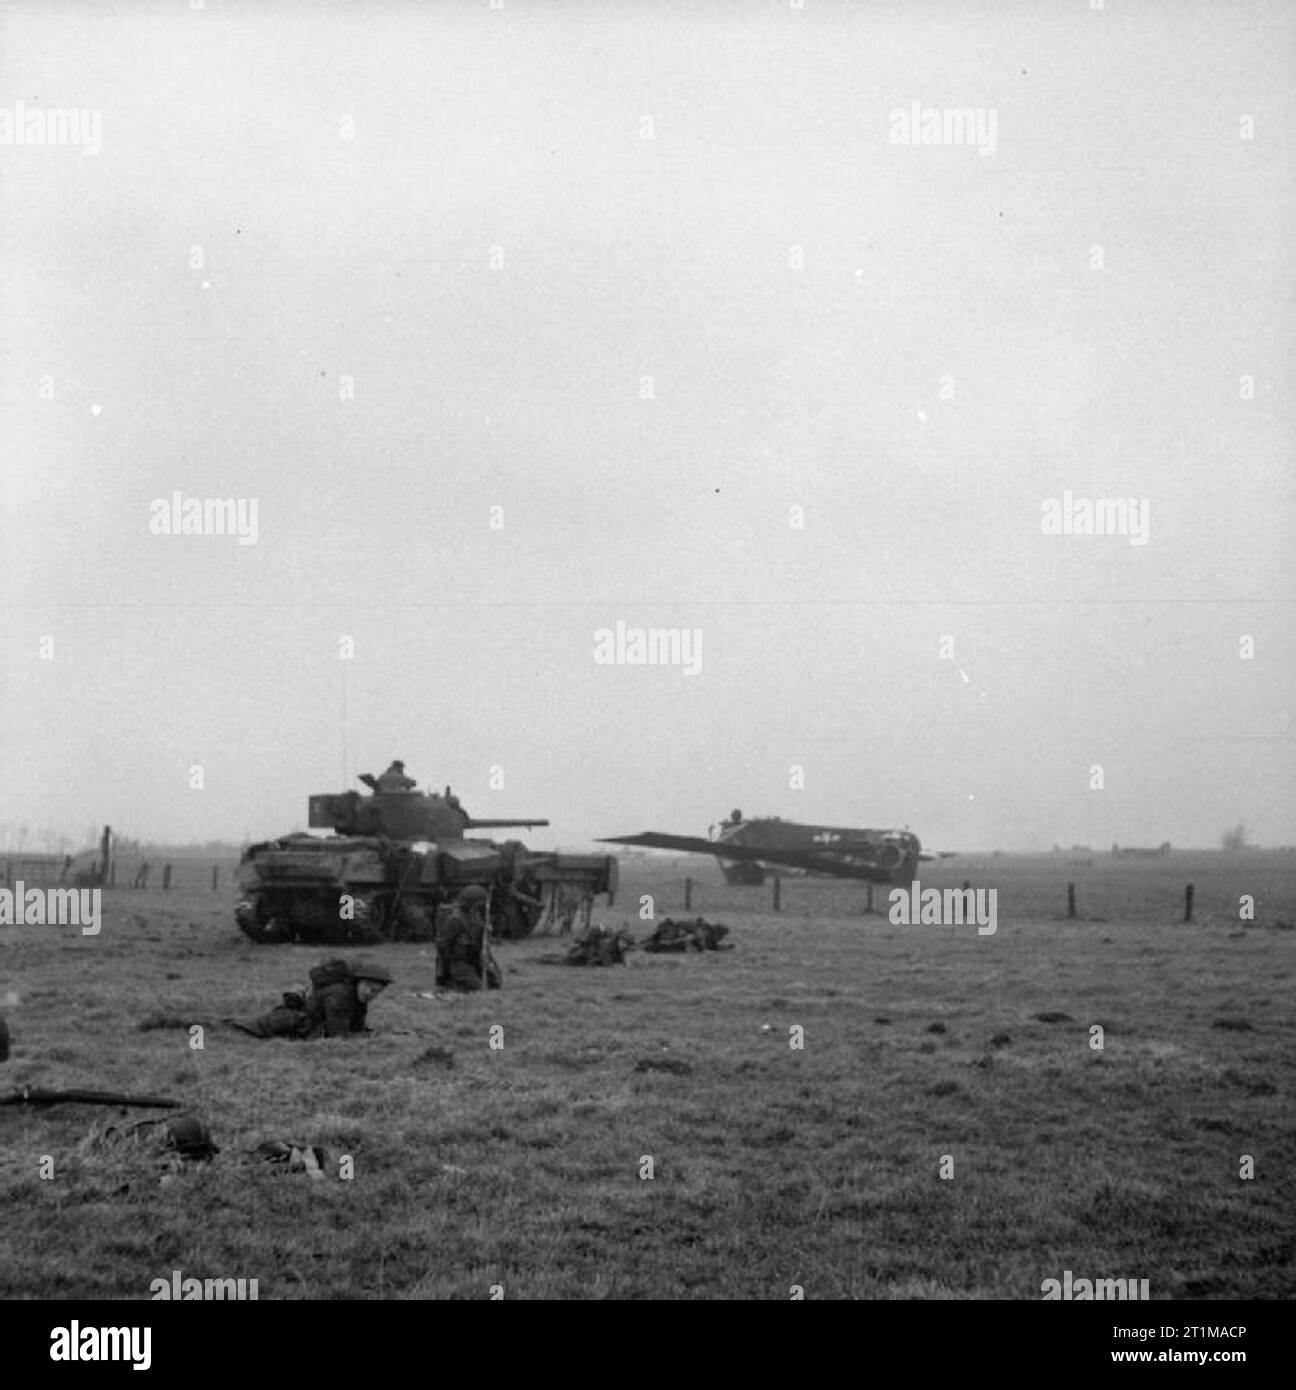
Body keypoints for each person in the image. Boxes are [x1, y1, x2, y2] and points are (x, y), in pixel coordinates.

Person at [228, 958, 392, 1038]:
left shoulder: (358, 999)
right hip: (284, 1024)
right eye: (369, 988)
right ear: (358, 982)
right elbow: (338, 1037)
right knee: (230, 1028)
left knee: (232, 1026)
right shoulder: (339, 996)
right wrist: (371, 1036)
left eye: (377, 991)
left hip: (297, 1028)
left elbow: (354, 1028)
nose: (371, 994)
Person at [436, 886, 502, 991]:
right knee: (477, 987)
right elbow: (442, 944)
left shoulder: (474, 916)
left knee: (495, 983)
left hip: (474, 961)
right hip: (459, 964)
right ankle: (452, 983)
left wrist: (486, 932)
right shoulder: (455, 920)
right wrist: (449, 967)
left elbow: (478, 939)